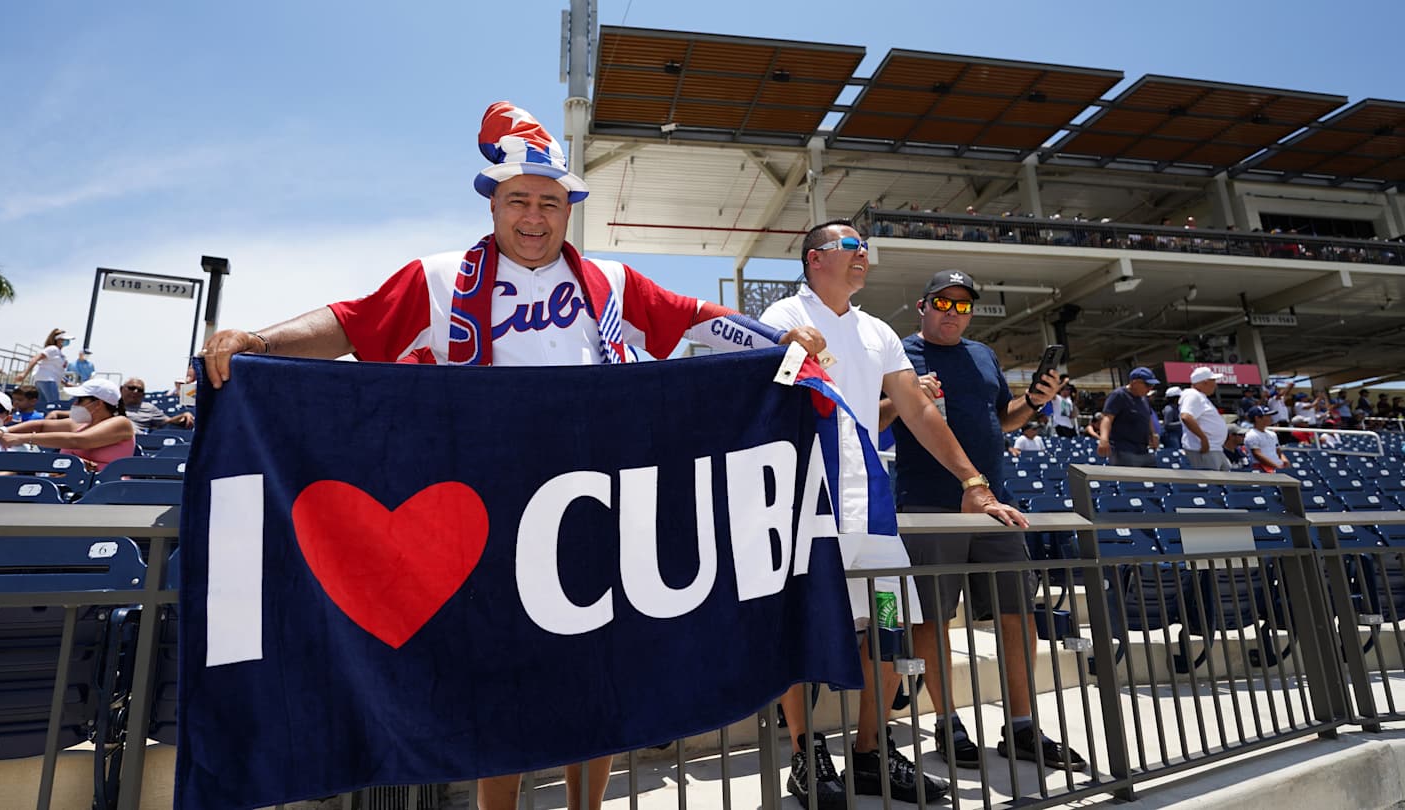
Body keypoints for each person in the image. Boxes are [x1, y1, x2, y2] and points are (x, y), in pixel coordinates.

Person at [194, 101, 826, 810]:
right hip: (492, 505)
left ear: (568, 210)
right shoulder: (437, 277)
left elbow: (697, 320)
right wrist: (262, 343)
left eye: (549, 203)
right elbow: (349, 323)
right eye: (518, 199)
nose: (534, 216)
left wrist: (776, 344)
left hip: (593, 504)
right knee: (507, 676)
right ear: (492, 203)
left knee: (600, 671)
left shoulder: (611, 284)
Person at [762, 234, 1023, 808]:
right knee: (803, 629)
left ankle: (871, 751)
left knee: (889, 626)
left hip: (872, 512)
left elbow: (918, 409)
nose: (863, 255)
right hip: (807, 503)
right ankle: (807, 755)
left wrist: (973, 483)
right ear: (815, 259)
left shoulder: (877, 331)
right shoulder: (784, 313)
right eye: (850, 244)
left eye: (865, 247)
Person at [885, 268, 1083, 774]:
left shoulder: (983, 355)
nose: (953, 314)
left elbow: (1004, 418)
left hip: (996, 502)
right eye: (943, 303)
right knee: (933, 616)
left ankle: (1021, 726)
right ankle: (947, 722)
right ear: (923, 306)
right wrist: (903, 398)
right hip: (930, 503)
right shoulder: (896, 352)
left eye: (963, 306)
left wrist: (1035, 401)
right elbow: (873, 416)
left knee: (1017, 612)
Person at [0, 378, 135, 472]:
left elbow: (78, 441)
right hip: (66, 487)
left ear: (98, 404)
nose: (75, 403)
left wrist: (20, 439)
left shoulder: (121, 423)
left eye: (80, 400)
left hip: (102, 492)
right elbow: (41, 425)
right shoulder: (80, 424)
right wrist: (1, 432)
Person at [1098, 368, 1160, 466]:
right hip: (1124, 451)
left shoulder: (1143, 398)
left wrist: (1153, 434)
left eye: (1152, 385)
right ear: (1134, 382)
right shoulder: (1119, 395)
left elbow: (1147, 417)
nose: (1150, 388)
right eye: (1147, 385)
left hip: (1144, 450)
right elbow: (1107, 418)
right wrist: (1104, 439)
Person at [1178, 367, 1230, 472]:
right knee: (1213, 484)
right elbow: (1186, 416)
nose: (1215, 385)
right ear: (1204, 383)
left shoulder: (1200, 396)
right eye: (1213, 381)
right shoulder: (1192, 394)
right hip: (1204, 449)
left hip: (1214, 448)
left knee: (1224, 480)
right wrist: (1203, 438)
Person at [19, 328, 73, 404]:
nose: (67, 342)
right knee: (53, 405)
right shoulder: (52, 349)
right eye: (64, 339)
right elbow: (35, 359)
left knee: (42, 406)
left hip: (45, 380)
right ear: (58, 340)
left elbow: (55, 370)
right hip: (48, 381)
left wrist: (65, 383)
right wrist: (24, 374)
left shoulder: (58, 353)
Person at [121, 377, 195, 431]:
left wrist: (184, 414)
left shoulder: (149, 408)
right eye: (131, 388)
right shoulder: (111, 405)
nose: (135, 392)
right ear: (121, 389)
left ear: (143, 395)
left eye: (140, 390)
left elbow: (168, 421)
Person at [1243, 406, 1289, 472]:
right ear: (1257, 418)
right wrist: (1276, 466)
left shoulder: (1272, 434)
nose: (1271, 418)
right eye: (1267, 416)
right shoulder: (1252, 435)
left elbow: (1278, 451)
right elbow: (1257, 455)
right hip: (1262, 469)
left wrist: (1285, 460)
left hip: (1276, 467)